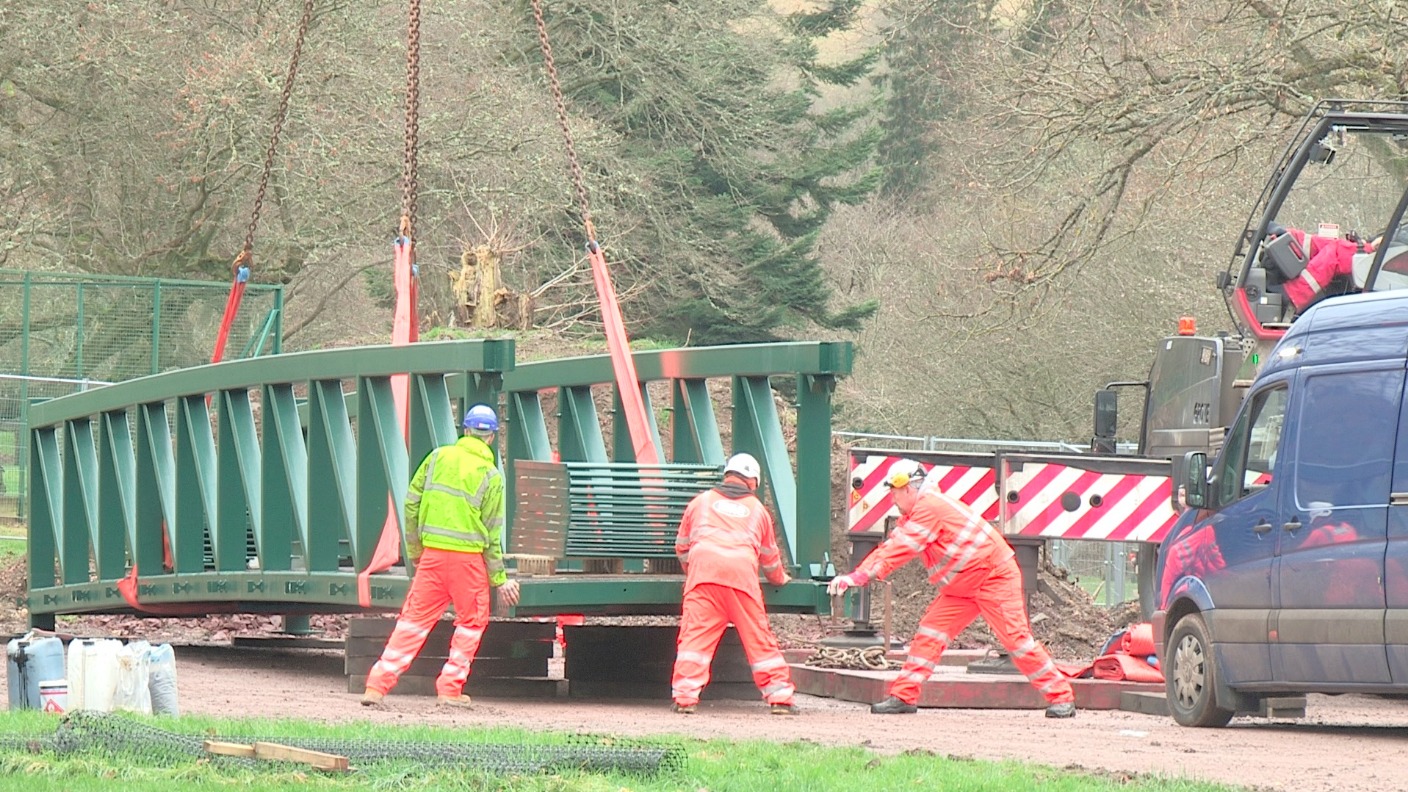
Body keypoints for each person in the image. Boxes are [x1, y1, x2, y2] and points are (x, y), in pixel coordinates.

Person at [827, 459, 1076, 718]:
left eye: (894, 491)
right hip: (964, 585)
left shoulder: (929, 508)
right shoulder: (920, 512)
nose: (892, 499)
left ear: (909, 489)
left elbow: (899, 549)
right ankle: (903, 696)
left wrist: (857, 577)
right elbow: (895, 545)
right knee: (929, 634)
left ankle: (1061, 697)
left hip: (993, 578)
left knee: (1017, 641)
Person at [361, 403, 520, 708]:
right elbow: (492, 533)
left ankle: (376, 685)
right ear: (491, 437)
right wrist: (499, 579)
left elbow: (410, 505)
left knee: (412, 622)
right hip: (468, 564)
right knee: (471, 623)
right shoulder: (491, 476)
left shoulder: (436, 458)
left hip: (432, 559)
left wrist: (416, 552)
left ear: (465, 431)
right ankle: (450, 689)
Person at [671, 452, 798, 716]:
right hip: (741, 579)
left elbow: (682, 547)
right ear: (753, 482)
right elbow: (769, 558)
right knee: (758, 639)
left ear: (727, 474)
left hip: (704, 577)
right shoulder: (758, 511)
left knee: (694, 639)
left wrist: (695, 570)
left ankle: (685, 699)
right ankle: (779, 698)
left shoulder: (700, 503)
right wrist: (780, 579)